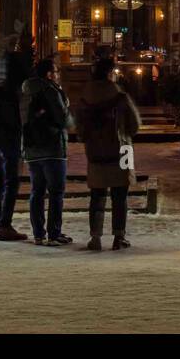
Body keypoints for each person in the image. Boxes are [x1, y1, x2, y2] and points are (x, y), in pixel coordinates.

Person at [74, 57, 141, 251]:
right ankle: (119, 237)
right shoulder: (120, 97)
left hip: (95, 151)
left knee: (97, 194)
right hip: (123, 149)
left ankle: (95, 237)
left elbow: (79, 129)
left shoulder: (85, 100)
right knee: (120, 195)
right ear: (111, 73)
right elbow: (134, 126)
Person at [21, 57, 74, 246]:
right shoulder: (51, 90)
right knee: (56, 192)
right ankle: (54, 234)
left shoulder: (26, 91)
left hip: (31, 149)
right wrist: (67, 109)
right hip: (52, 147)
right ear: (49, 74)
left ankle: (38, 233)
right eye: (56, 71)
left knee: (36, 191)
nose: (58, 74)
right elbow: (62, 118)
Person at [0, 48, 30, 241]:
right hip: (9, 140)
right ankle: (5, 225)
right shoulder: (12, 92)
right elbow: (15, 119)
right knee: (11, 183)